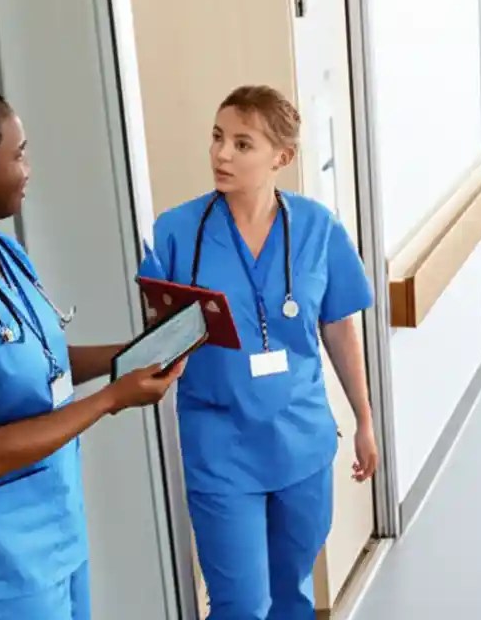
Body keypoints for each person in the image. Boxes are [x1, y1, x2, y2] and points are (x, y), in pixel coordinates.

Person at [0, 82, 185, 620]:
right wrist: (111, 399)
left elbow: (43, 362)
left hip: (55, 530)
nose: (28, 170)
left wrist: (132, 354)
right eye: (19, 155)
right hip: (2, 564)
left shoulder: (1, 250)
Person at [139, 85, 377, 619]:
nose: (222, 154)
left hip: (300, 441)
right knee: (241, 605)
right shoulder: (177, 232)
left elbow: (339, 328)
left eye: (242, 144)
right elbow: (156, 333)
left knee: (292, 594)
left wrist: (364, 419)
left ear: (281, 158)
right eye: (217, 137)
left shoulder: (317, 228)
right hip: (220, 446)